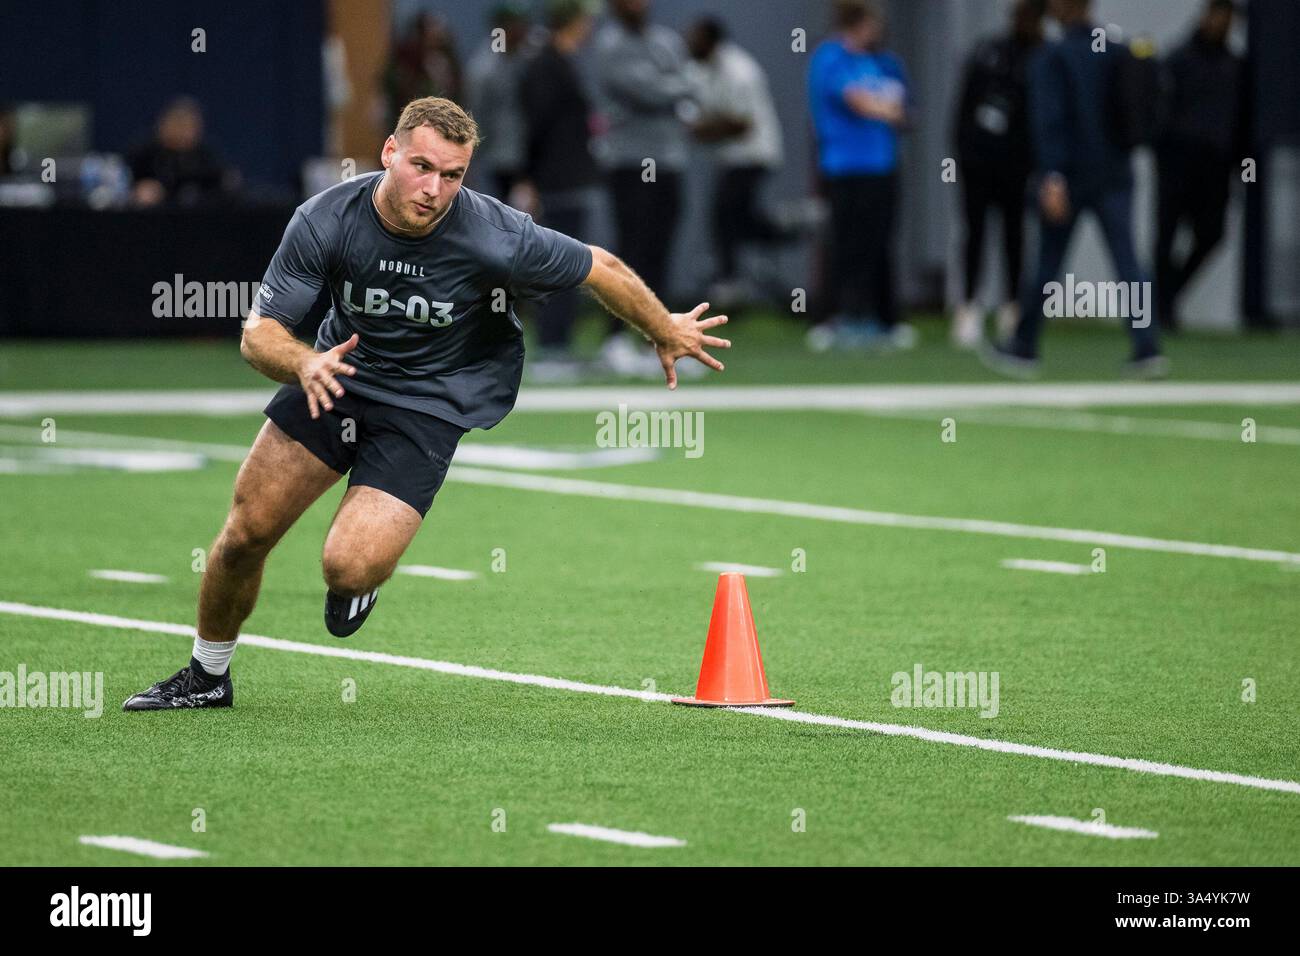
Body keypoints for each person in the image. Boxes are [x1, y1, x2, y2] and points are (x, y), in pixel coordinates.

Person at [122, 97, 731, 710]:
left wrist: (664, 328)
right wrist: (305, 360)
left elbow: (600, 267)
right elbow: (260, 333)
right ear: (389, 152)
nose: (434, 189)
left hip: (430, 401)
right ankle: (206, 675)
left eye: (452, 175)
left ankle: (360, 581)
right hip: (334, 377)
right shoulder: (326, 218)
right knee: (246, 532)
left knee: (348, 566)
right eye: (421, 166)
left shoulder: (497, 235)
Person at [983, 0, 1165, 378]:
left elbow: (1049, 122)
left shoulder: (1053, 56)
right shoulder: (1116, 49)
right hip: (1116, 172)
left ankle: (1024, 345)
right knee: (1129, 262)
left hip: (1070, 174)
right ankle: (1147, 346)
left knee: (1047, 263)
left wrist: (1051, 176)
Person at [592, 0, 695, 377]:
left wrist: (674, 86)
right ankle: (616, 340)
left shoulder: (665, 41)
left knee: (660, 251)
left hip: (669, 162)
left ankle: (664, 338)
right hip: (629, 163)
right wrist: (675, 86)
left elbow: (690, 84)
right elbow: (645, 91)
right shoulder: (610, 44)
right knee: (631, 250)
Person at [806, 0, 914, 352]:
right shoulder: (830, 57)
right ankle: (840, 316)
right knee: (846, 244)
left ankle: (882, 319)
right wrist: (884, 108)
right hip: (845, 167)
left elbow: (903, 111)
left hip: (881, 165)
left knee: (878, 243)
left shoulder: (877, 62)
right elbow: (858, 101)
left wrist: (884, 109)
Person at [950, 0, 1045, 349]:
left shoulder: (1043, 58)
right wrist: (963, 155)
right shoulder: (988, 52)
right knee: (975, 236)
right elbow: (963, 108)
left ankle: (1013, 309)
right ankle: (969, 307)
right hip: (979, 165)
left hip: (1018, 168)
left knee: (1015, 237)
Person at [519, 0, 600, 381]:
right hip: (555, 180)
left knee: (571, 264)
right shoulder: (545, 65)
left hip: (572, 179)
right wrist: (530, 178)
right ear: (573, 22)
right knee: (557, 263)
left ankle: (560, 343)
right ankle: (550, 347)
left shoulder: (563, 62)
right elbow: (537, 127)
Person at [684, 17, 791, 307]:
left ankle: (731, 276)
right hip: (729, 156)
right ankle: (781, 230)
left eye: (696, 38)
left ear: (712, 41)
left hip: (755, 153)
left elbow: (741, 125)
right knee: (732, 216)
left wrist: (699, 131)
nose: (689, 43)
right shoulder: (700, 69)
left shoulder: (740, 70)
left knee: (725, 212)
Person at [1154, 0, 1243, 333]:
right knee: (1165, 236)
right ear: (1207, 15)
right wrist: (1160, 152)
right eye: (1220, 15)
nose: (1224, 23)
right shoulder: (1178, 58)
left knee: (1212, 235)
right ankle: (1161, 311)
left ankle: (1167, 296)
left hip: (1217, 166)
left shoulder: (1235, 65)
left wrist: (1245, 171)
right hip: (1177, 161)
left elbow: (1242, 125)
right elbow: (1157, 109)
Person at [465, 4, 534, 202]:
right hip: (496, 160)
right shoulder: (485, 68)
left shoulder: (523, 59)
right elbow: (476, 116)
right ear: (502, 27)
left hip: (525, 156)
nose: (522, 30)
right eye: (516, 25)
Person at [127, 97, 232, 207]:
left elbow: (222, 185)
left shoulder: (206, 155)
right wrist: (138, 190)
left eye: (189, 126)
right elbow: (121, 184)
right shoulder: (144, 152)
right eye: (178, 124)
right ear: (163, 125)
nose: (183, 132)